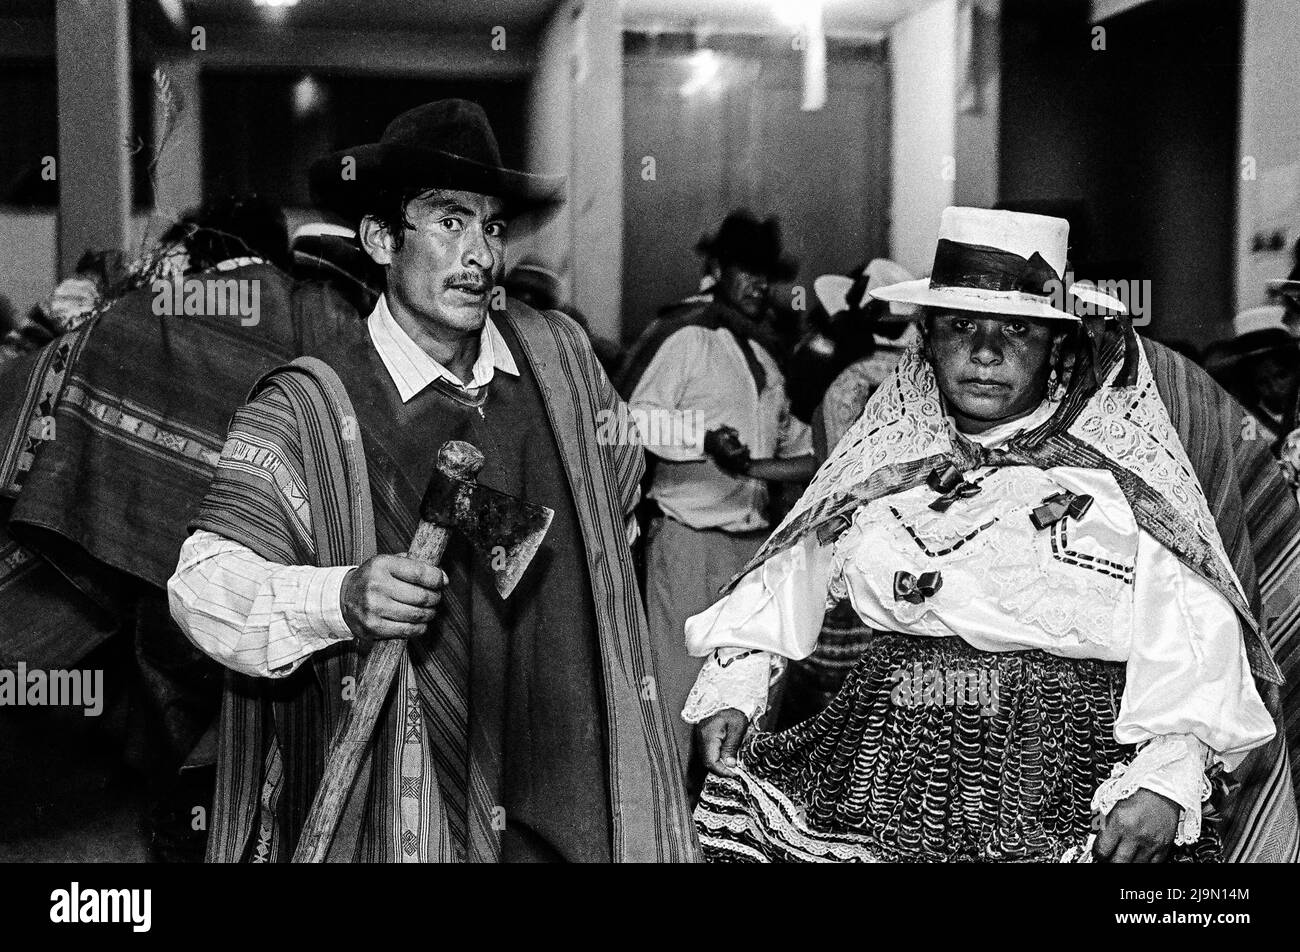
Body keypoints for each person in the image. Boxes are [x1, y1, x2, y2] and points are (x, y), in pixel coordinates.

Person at [167, 99, 697, 862]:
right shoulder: (316, 403)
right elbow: (201, 584)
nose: (479, 252)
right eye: (449, 222)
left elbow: (621, 497)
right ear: (382, 239)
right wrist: (342, 596)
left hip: (558, 785)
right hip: (391, 801)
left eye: (492, 226)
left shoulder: (560, 363)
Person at [683, 207, 1298, 863]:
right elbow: (786, 574)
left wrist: (1169, 774)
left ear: (1058, 341)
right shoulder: (889, 460)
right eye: (961, 325)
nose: (985, 351)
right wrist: (736, 683)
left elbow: (1193, 628)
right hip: (886, 767)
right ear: (927, 336)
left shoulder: (1121, 476)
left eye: (1018, 328)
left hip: (1066, 780)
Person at [616, 210, 817, 783]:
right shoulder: (688, 338)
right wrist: (701, 438)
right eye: (745, 271)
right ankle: (661, 837)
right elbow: (630, 418)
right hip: (687, 542)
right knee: (673, 696)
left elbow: (795, 444)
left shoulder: (768, 357)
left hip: (750, 554)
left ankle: (726, 837)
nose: (757, 285)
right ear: (718, 270)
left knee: (745, 709)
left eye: (764, 274)